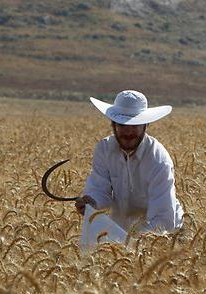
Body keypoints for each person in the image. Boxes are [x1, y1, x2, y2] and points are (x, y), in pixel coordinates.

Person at [75, 90, 183, 233]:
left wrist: (134, 242)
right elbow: (100, 188)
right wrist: (91, 202)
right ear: (113, 124)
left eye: (135, 125)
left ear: (146, 125)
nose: (128, 132)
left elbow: (163, 219)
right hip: (121, 231)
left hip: (162, 233)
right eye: (122, 125)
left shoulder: (159, 160)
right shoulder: (104, 149)